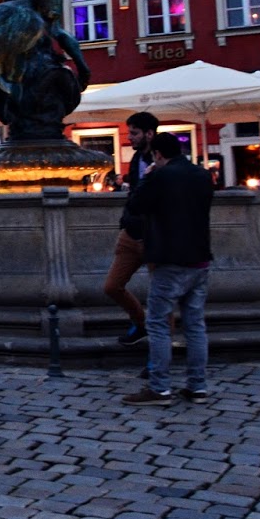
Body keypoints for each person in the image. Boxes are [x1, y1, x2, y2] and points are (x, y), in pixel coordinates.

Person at [122, 132, 213, 406]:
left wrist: (148, 175)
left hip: (170, 259)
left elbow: (135, 205)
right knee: (195, 325)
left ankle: (160, 387)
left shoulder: (161, 176)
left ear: (158, 154)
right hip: (200, 258)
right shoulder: (202, 175)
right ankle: (197, 386)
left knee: (158, 324)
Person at [106, 111, 158, 347]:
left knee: (159, 295)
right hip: (131, 232)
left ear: (149, 133)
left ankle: (159, 350)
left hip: (154, 235)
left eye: (134, 133)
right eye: (129, 132)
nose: (130, 137)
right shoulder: (137, 159)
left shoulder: (162, 160)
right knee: (112, 286)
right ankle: (141, 323)